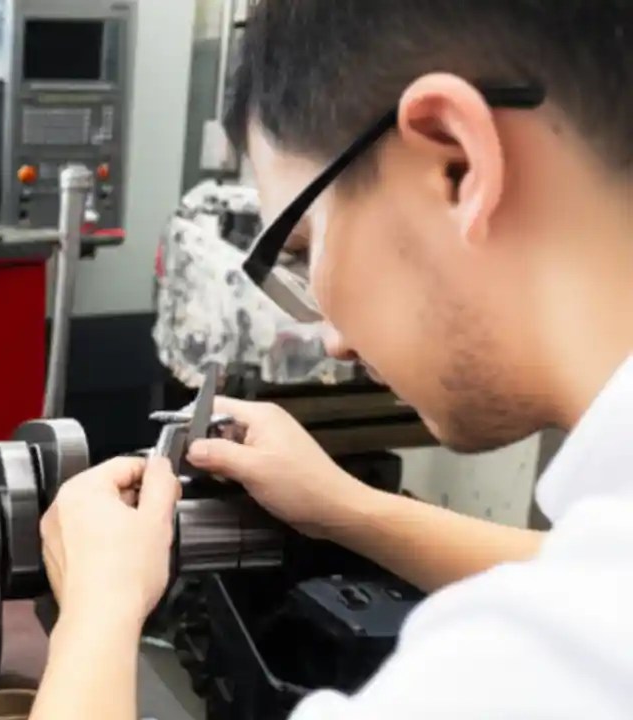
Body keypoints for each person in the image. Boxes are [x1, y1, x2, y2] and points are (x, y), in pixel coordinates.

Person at [31, 1, 633, 718]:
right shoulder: (596, 591)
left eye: (305, 247)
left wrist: (98, 611)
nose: (333, 340)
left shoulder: (506, 677)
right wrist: (348, 511)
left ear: (456, 165)